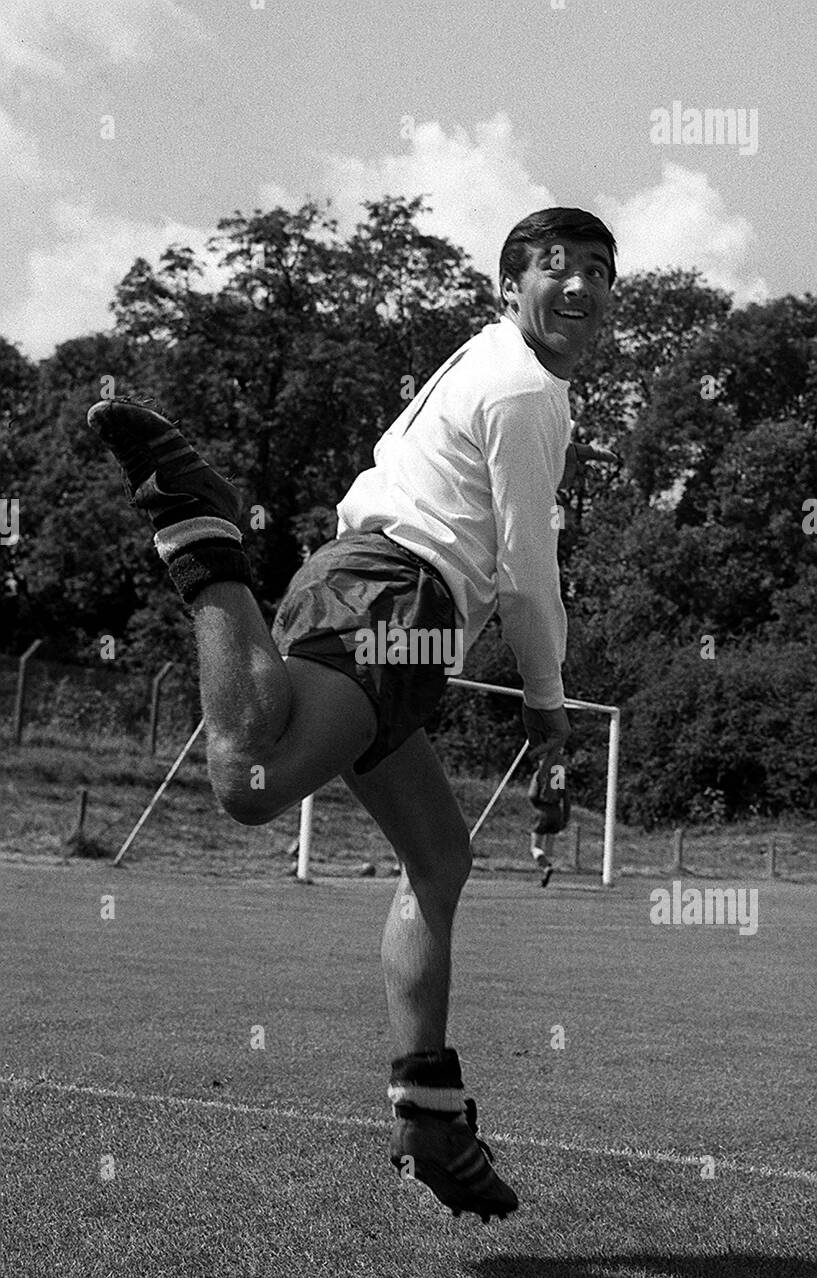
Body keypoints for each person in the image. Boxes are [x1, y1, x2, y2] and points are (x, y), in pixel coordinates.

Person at [87, 207, 617, 1223]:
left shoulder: (501, 364)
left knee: (440, 859)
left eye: (599, 270)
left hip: (403, 616)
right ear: (510, 289)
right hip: (391, 599)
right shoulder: (525, 389)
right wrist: (547, 706)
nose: (582, 285)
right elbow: (526, 573)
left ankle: (427, 1108)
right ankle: (201, 533)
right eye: (557, 268)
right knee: (249, 785)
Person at [528, 744, 571, 887]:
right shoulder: (559, 774)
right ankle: (545, 871)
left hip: (542, 812)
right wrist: (565, 817)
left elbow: (532, 795)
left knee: (535, 847)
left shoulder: (540, 773)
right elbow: (566, 798)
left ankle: (546, 867)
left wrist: (536, 805)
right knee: (549, 848)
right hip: (556, 813)